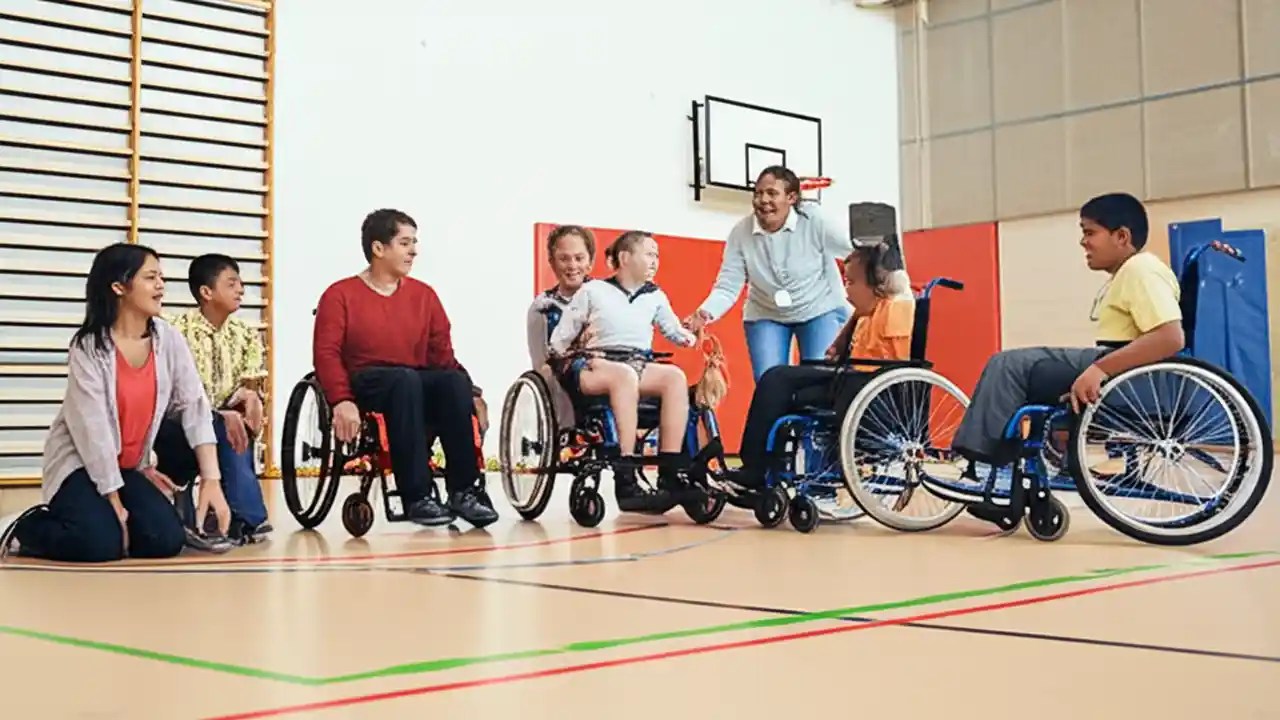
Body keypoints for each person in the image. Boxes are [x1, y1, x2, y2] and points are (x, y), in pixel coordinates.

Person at [0, 243, 232, 562]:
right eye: (151, 277)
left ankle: (106, 522)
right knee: (100, 545)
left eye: (161, 277)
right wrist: (114, 502)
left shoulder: (168, 339)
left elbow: (194, 407)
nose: (161, 285)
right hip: (80, 464)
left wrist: (211, 479)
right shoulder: (89, 347)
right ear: (119, 286)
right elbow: (92, 432)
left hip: (127, 467)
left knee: (164, 540)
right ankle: (25, 527)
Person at [950, 192, 1184, 472]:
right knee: (1020, 365)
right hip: (1122, 369)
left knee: (1010, 365)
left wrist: (1100, 369)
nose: (1083, 241)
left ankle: (985, 462)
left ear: (1122, 236)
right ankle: (1003, 461)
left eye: (1090, 232)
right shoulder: (1128, 273)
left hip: (1129, 381)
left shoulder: (1141, 270)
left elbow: (1170, 337)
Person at [312, 208, 498, 529]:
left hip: (409, 380)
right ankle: (417, 495)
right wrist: (341, 400)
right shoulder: (340, 295)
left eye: (415, 242)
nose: (414, 250)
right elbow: (326, 354)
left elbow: (443, 356)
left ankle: (464, 490)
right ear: (378, 248)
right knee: (405, 380)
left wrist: (472, 394)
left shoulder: (424, 295)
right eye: (405, 242)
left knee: (450, 382)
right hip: (367, 380)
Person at [717, 243, 915, 502]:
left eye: (851, 282)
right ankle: (759, 469)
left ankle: (759, 471)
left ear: (878, 284)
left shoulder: (895, 308)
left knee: (781, 379)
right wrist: (844, 334)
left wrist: (892, 279)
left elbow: (900, 296)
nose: (846, 291)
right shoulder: (866, 314)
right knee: (778, 380)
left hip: (869, 387)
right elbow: (863, 312)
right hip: (851, 379)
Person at [683, 166, 906, 380]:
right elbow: (727, 286)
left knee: (821, 377)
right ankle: (783, 420)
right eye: (758, 193)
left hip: (819, 308)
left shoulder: (815, 220)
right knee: (769, 382)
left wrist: (888, 263)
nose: (763, 201)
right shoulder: (741, 234)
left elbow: (855, 247)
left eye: (772, 193)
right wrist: (704, 314)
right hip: (766, 313)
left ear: (791, 198)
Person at [546, 230, 698, 512]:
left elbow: (673, 330)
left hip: (636, 362)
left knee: (675, 378)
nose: (655, 261)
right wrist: (559, 356)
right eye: (649, 254)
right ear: (625, 258)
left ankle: (670, 470)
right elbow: (560, 339)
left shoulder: (654, 296)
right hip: (595, 364)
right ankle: (625, 477)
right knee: (624, 377)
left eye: (657, 256)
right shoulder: (593, 291)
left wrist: (690, 336)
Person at [155, 253, 271, 545]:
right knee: (224, 425)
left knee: (234, 425)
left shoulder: (245, 335)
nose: (241, 290)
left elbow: (250, 380)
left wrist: (252, 397)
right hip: (174, 427)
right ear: (206, 292)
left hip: (222, 424)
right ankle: (245, 515)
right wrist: (217, 415)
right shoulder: (176, 330)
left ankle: (235, 513)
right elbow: (173, 395)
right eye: (232, 283)